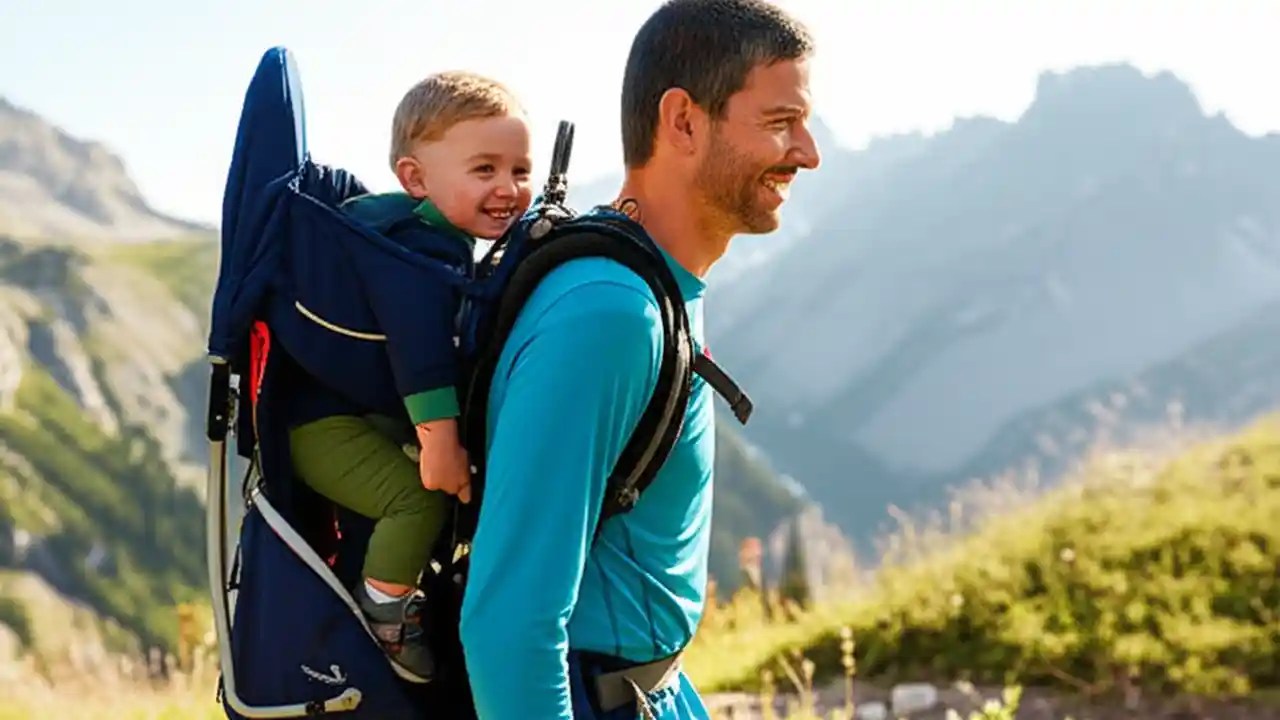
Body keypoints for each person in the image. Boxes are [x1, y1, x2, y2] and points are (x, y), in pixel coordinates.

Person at [457, 1, 821, 717]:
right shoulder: (610, 313)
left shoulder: (650, 281)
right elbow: (508, 626)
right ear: (683, 120)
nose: (807, 151)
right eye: (780, 123)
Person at [286, 69, 533, 679]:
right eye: (485, 170)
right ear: (415, 178)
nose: (507, 189)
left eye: (519, 171)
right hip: (324, 424)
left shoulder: (402, 231)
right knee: (418, 500)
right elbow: (420, 351)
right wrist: (441, 444)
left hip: (342, 412)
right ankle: (387, 615)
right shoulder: (420, 251)